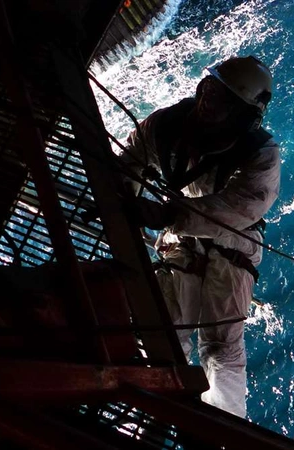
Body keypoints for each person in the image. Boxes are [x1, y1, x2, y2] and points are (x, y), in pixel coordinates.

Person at [121, 56, 280, 417]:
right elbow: (128, 161)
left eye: (221, 98)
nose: (209, 102)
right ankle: (162, 408)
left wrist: (168, 215)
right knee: (168, 332)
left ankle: (225, 428)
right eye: (209, 91)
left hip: (233, 242)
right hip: (182, 236)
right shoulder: (164, 126)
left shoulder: (261, 154)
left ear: (241, 112)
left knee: (221, 349)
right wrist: (124, 199)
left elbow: (240, 208)